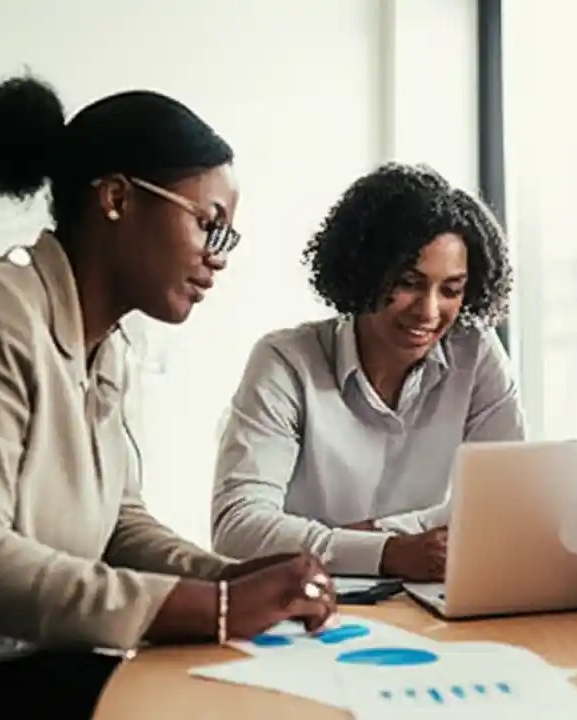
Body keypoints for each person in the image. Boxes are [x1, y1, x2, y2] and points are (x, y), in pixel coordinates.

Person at [0, 76, 336, 716]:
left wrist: (223, 576)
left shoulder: (107, 347)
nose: (218, 257)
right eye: (208, 224)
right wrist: (210, 608)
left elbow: (118, 523)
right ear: (116, 198)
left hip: (46, 662)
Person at [211, 162, 522, 581]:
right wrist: (388, 553)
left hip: (429, 600)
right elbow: (238, 528)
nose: (429, 312)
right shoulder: (286, 362)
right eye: (409, 283)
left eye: (451, 290)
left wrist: (375, 535)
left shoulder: (477, 354)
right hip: (305, 603)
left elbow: (504, 504)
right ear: (366, 272)